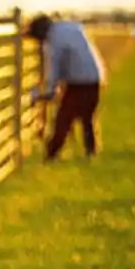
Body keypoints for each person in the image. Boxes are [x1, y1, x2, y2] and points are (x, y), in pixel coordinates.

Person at [26, 14, 108, 160]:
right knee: (87, 117)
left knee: (63, 119)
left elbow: (54, 68)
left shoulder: (54, 40)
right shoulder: (70, 27)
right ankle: (91, 152)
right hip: (93, 77)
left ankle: (52, 154)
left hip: (79, 81)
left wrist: (48, 91)